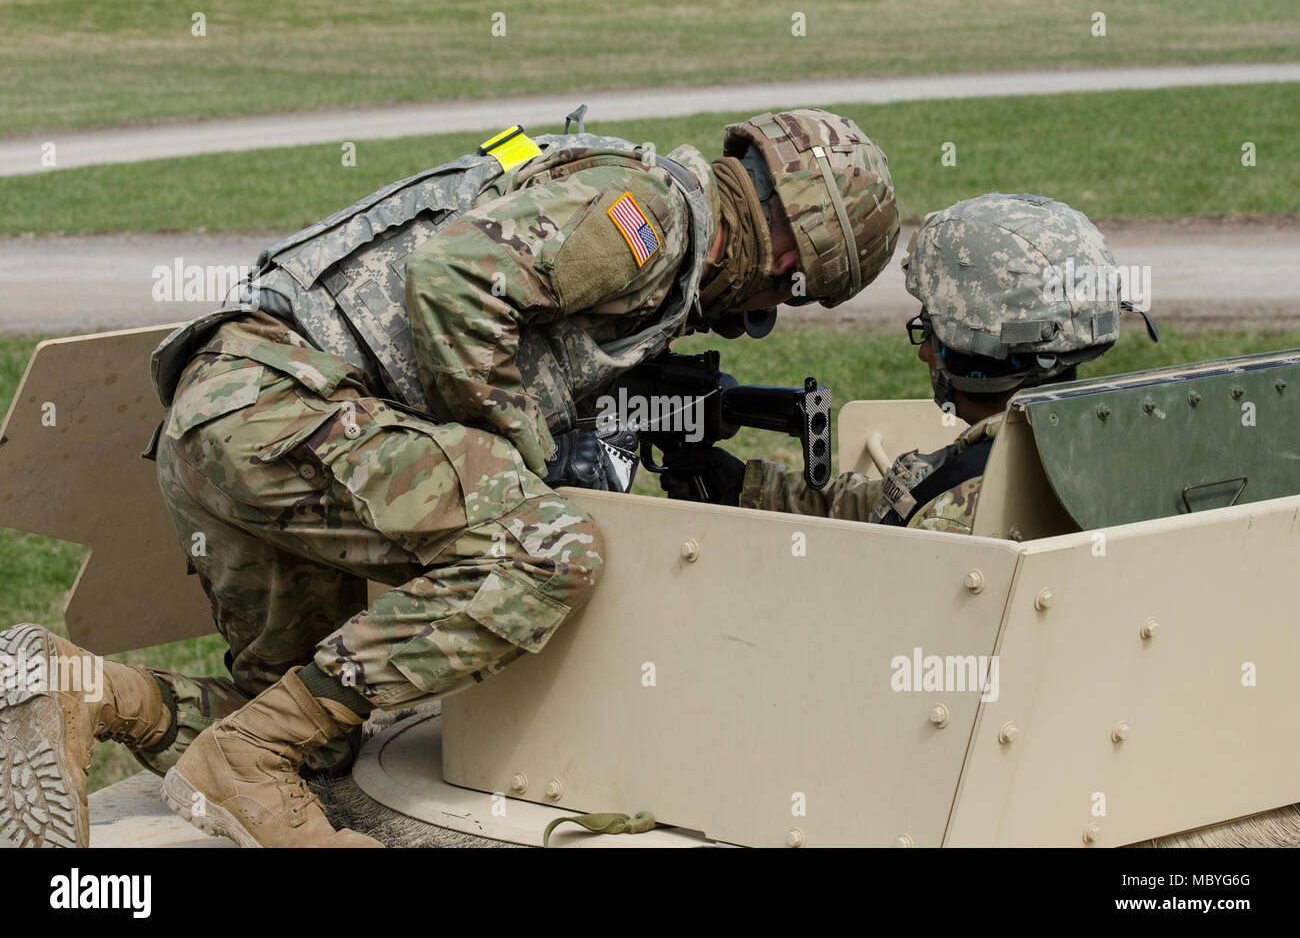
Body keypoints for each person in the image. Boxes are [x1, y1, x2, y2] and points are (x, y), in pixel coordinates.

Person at [0, 109, 899, 848]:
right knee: (544, 549)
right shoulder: (653, 217)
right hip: (283, 408)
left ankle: (79, 691)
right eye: (782, 300)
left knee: (298, 721)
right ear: (793, 262)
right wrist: (521, 454)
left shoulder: (612, 183)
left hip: (228, 410)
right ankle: (246, 763)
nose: (758, 313)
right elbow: (454, 280)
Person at [669, 193, 1152, 532]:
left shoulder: (949, 513)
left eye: (933, 332)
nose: (924, 350)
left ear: (971, 347)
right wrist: (747, 487)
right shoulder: (1128, 452)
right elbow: (895, 500)